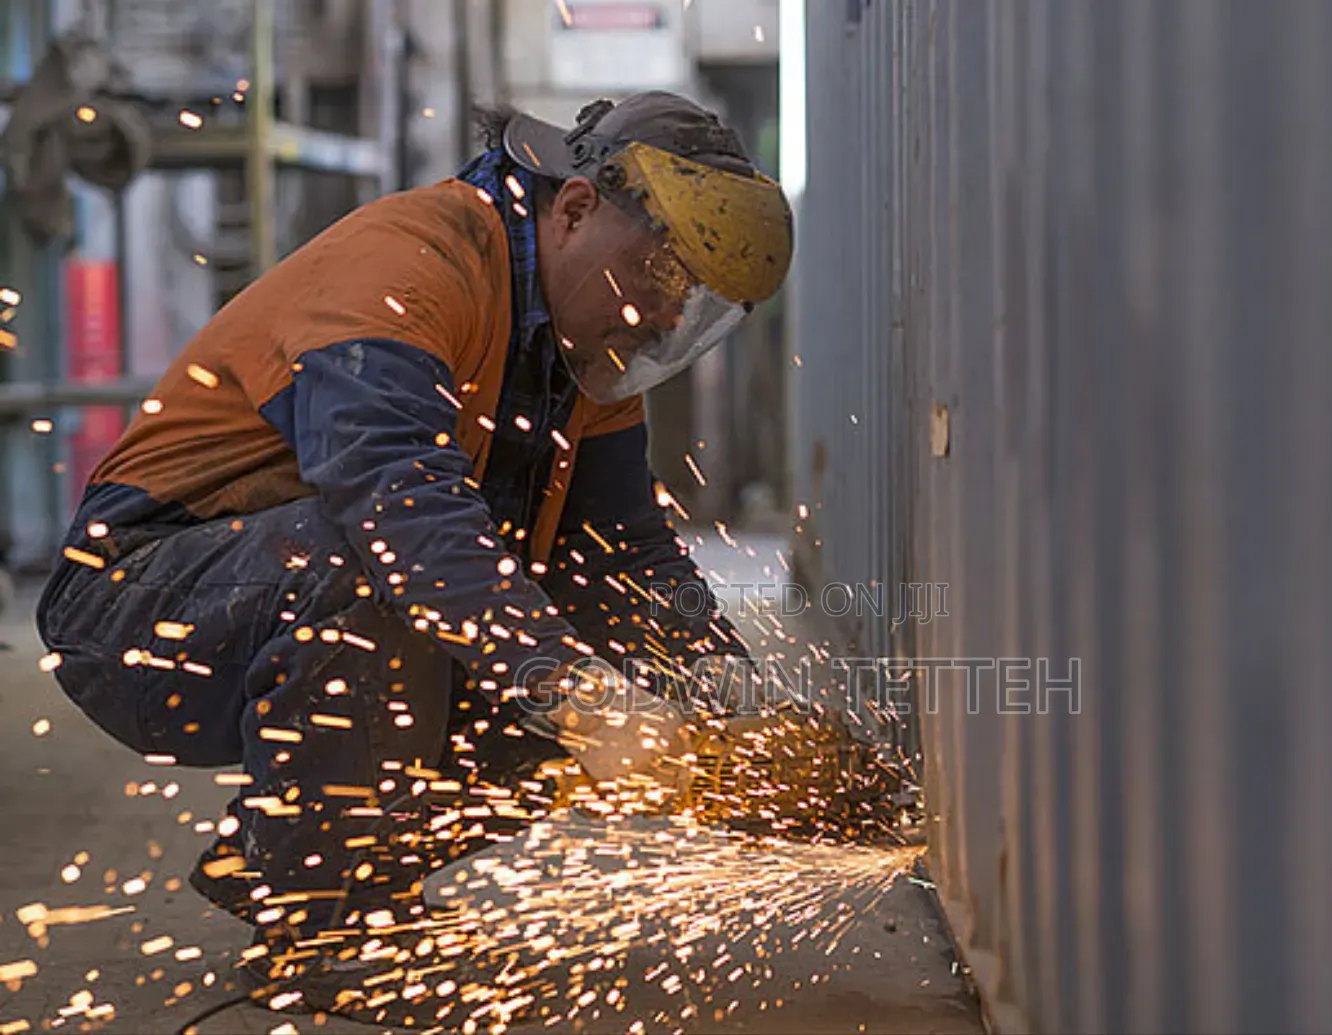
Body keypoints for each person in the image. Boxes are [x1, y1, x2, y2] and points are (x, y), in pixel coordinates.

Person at [34, 91, 793, 1020]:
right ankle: (327, 928)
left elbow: (625, 557)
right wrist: (575, 689)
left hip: (297, 577)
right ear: (576, 208)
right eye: (660, 269)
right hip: (138, 604)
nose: (667, 313)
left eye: (692, 294)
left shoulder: (581, 356)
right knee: (422, 585)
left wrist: (733, 697)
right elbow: (397, 503)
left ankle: (319, 862)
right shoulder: (409, 261)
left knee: (569, 656)